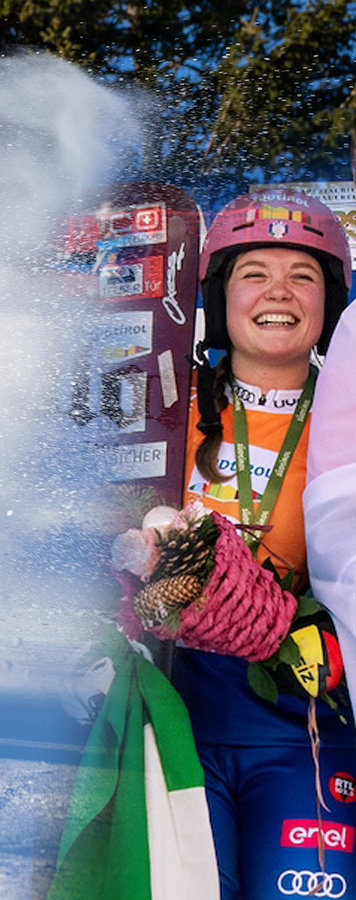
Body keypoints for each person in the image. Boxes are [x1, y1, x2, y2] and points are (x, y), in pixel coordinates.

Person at [170, 188, 355, 899]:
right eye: (255, 272)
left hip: (307, 731)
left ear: (330, 302)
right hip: (171, 725)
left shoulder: (350, 421)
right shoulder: (161, 412)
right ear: (220, 295)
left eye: (303, 275)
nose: (279, 292)